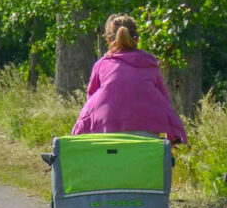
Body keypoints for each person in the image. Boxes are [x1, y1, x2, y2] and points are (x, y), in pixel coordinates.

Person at [71, 14, 189, 144]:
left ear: (109, 41)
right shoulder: (150, 63)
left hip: (107, 130)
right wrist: (172, 135)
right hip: (146, 132)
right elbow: (164, 100)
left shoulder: (101, 65)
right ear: (137, 39)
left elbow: (91, 100)